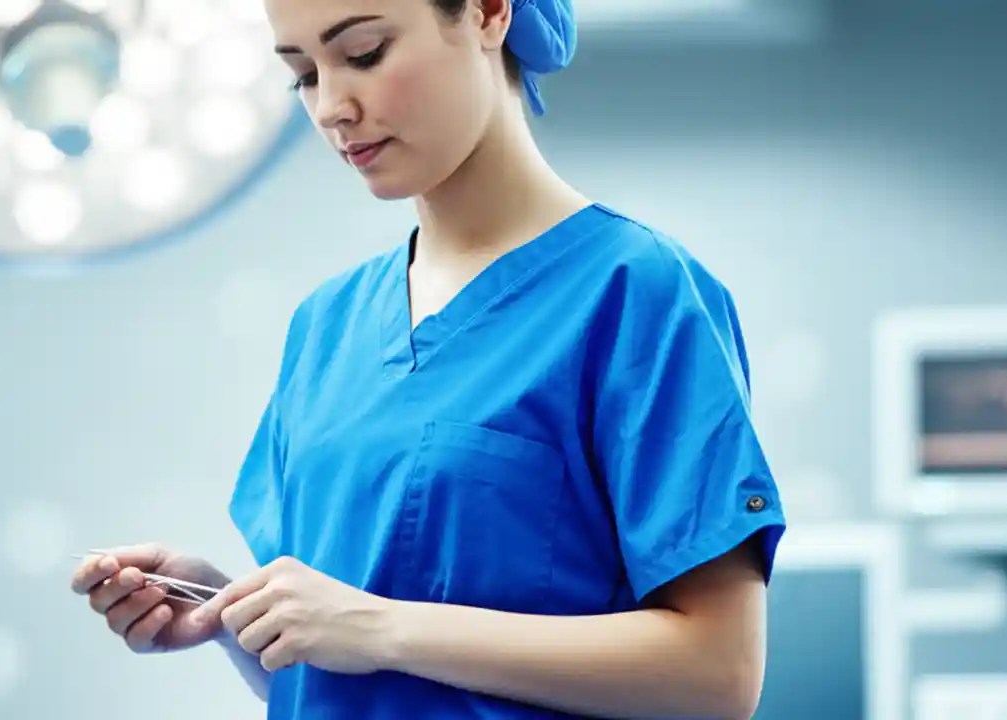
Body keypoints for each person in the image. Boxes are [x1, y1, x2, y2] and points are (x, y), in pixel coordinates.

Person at [69, 0, 788, 717]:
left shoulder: (635, 293)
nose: (331, 107)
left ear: (489, 13)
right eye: (303, 75)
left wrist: (382, 629)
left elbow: (718, 674)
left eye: (364, 53)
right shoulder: (327, 325)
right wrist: (232, 615)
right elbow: (352, 674)